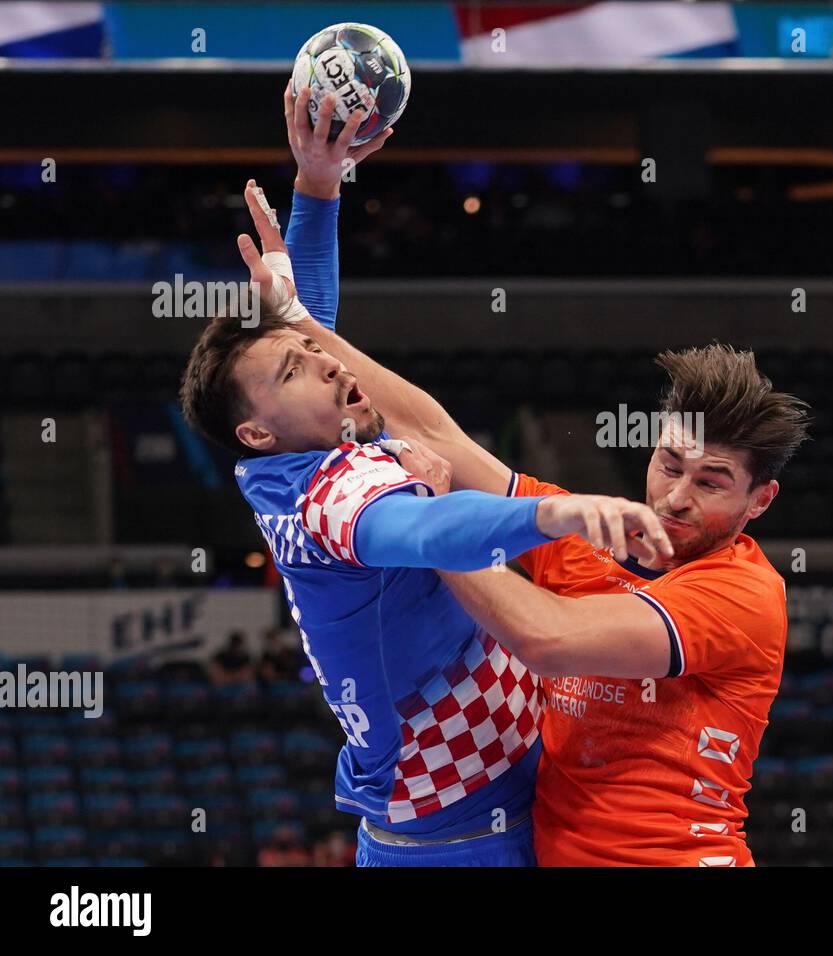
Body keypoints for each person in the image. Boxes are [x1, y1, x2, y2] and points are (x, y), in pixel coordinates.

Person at [250, 83, 813, 866]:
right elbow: (429, 426)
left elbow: (548, 638)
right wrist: (314, 227)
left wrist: (430, 517)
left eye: (712, 481)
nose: (677, 495)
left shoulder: (743, 593)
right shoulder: (592, 533)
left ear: (761, 500)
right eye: (669, 463)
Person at [180, 120, 670, 865]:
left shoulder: (300, 442)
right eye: (295, 371)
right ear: (256, 431)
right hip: (461, 836)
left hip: (513, 791)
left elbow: (309, 320)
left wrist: (319, 180)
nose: (325, 363)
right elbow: (430, 535)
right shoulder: (333, 499)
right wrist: (558, 512)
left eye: (311, 355)